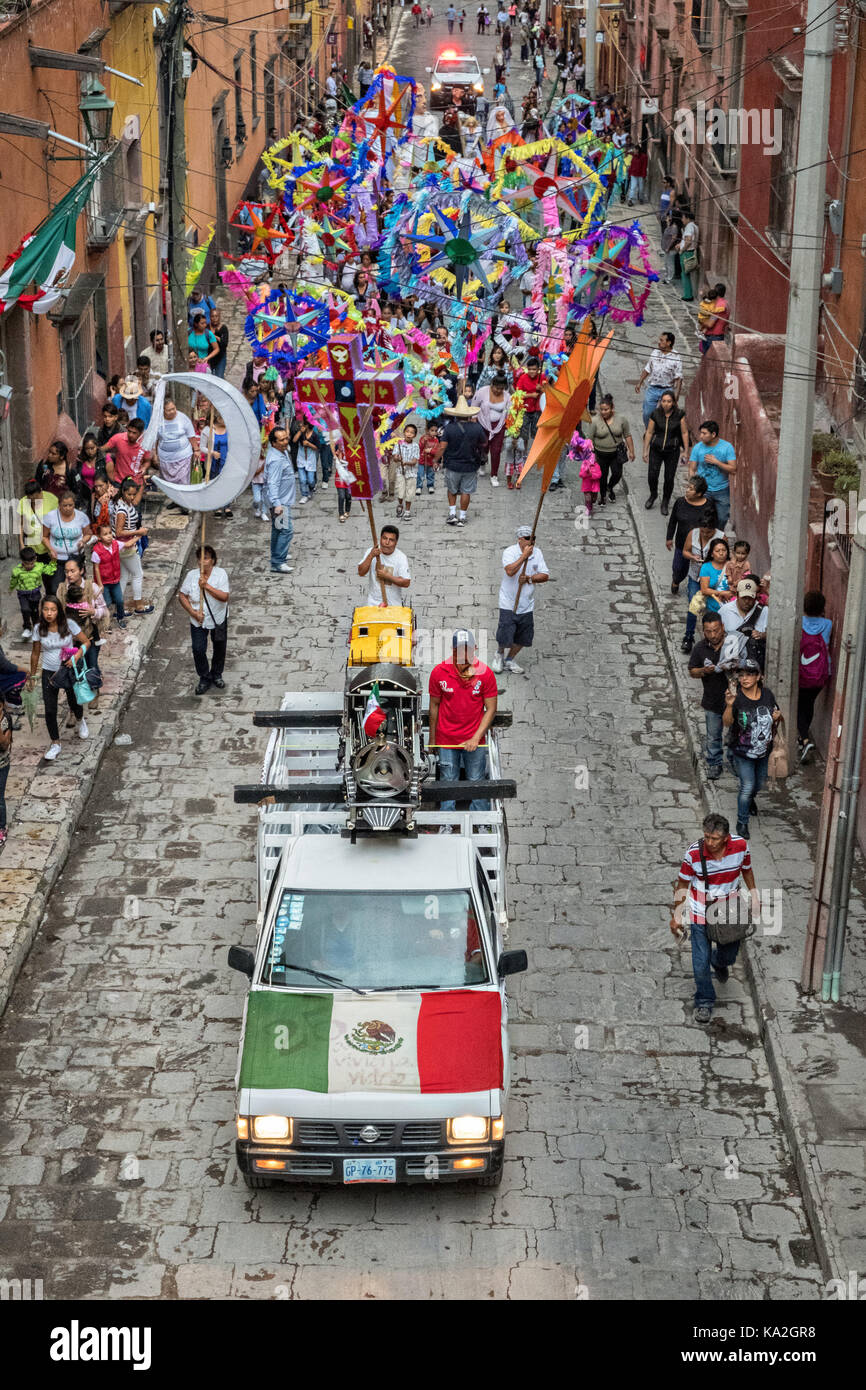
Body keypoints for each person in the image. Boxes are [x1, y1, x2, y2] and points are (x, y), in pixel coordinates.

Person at [672, 812, 757, 1025]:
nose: (709, 842)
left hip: (730, 910)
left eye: (715, 839)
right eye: (706, 837)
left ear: (726, 838)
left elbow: (746, 870)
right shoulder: (693, 854)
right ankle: (704, 1001)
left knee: (729, 954)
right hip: (701, 912)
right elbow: (682, 885)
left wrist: (754, 894)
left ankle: (718, 961)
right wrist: (677, 915)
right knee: (700, 962)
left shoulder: (740, 847)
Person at [429, 630, 498, 821]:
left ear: (474, 648)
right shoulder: (439, 673)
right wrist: (433, 741)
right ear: (453, 650)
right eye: (460, 649)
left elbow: (490, 709)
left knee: (476, 780)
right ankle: (447, 822)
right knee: (448, 781)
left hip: (474, 739)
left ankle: (482, 822)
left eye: (467, 649)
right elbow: (434, 705)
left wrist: (476, 737)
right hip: (446, 739)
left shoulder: (486, 674)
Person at [27, 595, 90, 760]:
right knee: (49, 709)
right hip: (49, 671)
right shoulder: (38, 628)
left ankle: (80, 719)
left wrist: (76, 656)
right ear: (42, 611)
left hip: (67, 668)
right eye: (46, 609)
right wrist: (32, 676)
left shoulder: (69, 625)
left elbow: (86, 642)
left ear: (58, 611)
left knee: (73, 700)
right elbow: (35, 653)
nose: (49, 613)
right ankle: (55, 743)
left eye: (53, 610)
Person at [723, 661, 781, 838]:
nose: (744, 678)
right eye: (741, 675)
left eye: (749, 674)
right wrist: (730, 705)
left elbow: (775, 716)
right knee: (747, 786)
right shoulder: (736, 698)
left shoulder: (768, 695)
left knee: (758, 784)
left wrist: (778, 717)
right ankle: (742, 822)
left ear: (759, 676)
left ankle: (750, 801)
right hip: (742, 751)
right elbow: (726, 723)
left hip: (764, 751)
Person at [492, 525, 549, 674]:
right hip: (508, 602)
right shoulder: (510, 552)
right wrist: (523, 557)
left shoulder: (537, 553)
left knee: (524, 637)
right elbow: (510, 571)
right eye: (528, 538)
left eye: (534, 538)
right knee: (505, 634)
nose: (532, 541)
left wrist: (530, 578)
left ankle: (509, 660)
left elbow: (545, 575)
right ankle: (499, 654)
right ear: (520, 539)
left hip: (526, 603)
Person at [178, 545, 231, 695]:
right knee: (198, 649)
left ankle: (217, 674)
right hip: (198, 620)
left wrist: (206, 586)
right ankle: (205, 676)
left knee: (219, 647)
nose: (202, 561)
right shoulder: (191, 575)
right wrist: (193, 612)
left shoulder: (221, 574)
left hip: (218, 618)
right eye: (200, 558)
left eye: (206, 558)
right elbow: (182, 596)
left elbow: (224, 596)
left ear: (212, 560)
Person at [435, 394, 488, 527]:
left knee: (452, 489)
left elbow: (442, 447)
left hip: (452, 464)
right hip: (471, 464)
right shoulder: (477, 428)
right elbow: (484, 442)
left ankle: (452, 514)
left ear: (455, 415)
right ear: (469, 415)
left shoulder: (449, 428)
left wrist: (436, 460)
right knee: (466, 491)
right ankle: (463, 516)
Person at [689, 612, 729, 780]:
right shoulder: (699, 648)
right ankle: (714, 763)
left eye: (716, 630)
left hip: (734, 701)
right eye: (709, 631)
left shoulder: (733, 644)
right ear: (703, 631)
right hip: (712, 699)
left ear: (723, 628)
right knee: (713, 736)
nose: (713, 635)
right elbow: (692, 671)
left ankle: (735, 762)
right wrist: (704, 671)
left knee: (737, 734)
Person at [681, 507, 725, 653]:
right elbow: (685, 551)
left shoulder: (721, 536)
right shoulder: (693, 534)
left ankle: (713, 639)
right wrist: (693, 557)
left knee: (714, 610)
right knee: (694, 608)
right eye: (703, 531)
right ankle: (688, 636)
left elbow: (724, 556)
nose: (705, 534)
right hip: (695, 577)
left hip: (713, 579)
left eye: (709, 532)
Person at [798, 590, 832, 761]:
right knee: (809, 704)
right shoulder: (828, 624)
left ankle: (804, 740)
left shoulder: (799, 621)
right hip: (820, 674)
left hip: (801, 674)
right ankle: (802, 739)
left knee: (797, 707)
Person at [582, 394, 634, 503]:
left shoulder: (621, 419)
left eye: (606, 409)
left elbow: (627, 435)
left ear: (612, 408)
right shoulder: (595, 421)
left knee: (617, 474)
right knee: (602, 476)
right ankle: (603, 496)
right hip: (600, 454)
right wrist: (590, 456)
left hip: (616, 453)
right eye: (601, 410)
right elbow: (589, 439)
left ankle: (610, 487)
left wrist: (631, 451)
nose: (604, 412)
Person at [643, 389, 689, 514]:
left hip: (672, 451)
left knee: (669, 478)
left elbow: (684, 433)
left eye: (669, 401)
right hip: (656, 449)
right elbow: (649, 432)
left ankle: (665, 501)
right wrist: (645, 450)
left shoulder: (679, 415)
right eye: (664, 401)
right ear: (661, 402)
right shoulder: (655, 414)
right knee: (652, 475)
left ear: (673, 402)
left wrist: (685, 451)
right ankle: (653, 495)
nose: (666, 404)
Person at [113, 477, 154, 616]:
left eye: (133, 494)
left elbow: (136, 501)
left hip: (123, 546)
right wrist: (139, 532)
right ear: (123, 492)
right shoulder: (122, 510)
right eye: (129, 494)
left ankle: (119, 607)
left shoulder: (124, 503)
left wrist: (141, 485)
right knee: (138, 574)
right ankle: (139, 605)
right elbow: (119, 532)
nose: (132, 497)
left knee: (124, 576)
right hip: (126, 546)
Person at [666, 476, 712, 596]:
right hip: (681, 543)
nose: (687, 490)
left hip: (699, 546)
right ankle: (676, 581)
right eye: (688, 487)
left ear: (699, 493)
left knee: (698, 572)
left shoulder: (708, 506)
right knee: (678, 568)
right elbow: (672, 521)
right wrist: (669, 538)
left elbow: (712, 525)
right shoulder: (680, 502)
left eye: (691, 489)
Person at [688, 420, 737, 529]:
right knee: (702, 518)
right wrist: (693, 486)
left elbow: (733, 470)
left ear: (713, 434)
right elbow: (692, 469)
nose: (701, 436)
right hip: (704, 490)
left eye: (704, 433)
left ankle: (718, 539)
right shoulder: (698, 448)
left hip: (722, 490)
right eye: (700, 433)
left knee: (723, 518)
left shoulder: (727, 447)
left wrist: (717, 462)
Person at [263, 425, 296, 574]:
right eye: (281, 440)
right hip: (279, 502)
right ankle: (278, 562)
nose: (285, 441)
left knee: (278, 529)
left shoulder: (281, 452)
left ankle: (278, 554)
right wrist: (277, 504)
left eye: (286, 438)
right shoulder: (276, 459)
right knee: (286, 530)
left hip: (282, 500)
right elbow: (273, 483)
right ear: (273, 443)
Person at [635, 332, 683, 428]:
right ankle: (649, 432)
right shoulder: (655, 352)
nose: (659, 342)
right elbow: (647, 369)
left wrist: (676, 395)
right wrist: (639, 382)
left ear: (669, 343)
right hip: (652, 388)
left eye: (661, 340)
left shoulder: (676, 356)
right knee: (647, 414)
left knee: (666, 415)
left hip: (667, 390)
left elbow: (679, 378)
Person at [17, 480, 58, 590]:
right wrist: (21, 545)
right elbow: (20, 525)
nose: (34, 501)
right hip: (32, 547)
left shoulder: (52, 499)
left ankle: (51, 602)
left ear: (41, 491)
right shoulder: (23, 502)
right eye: (31, 499)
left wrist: (52, 547)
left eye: (36, 498)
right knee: (34, 579)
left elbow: (57, 523)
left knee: (50, 579)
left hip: (49, 546)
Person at [719, 577, 768, 667]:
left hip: (754, 664)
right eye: (744, 598)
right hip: (731, 662)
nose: (747, 601)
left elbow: (773, 636)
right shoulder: (725, 611)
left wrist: (762, 635)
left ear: (755, 596)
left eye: (750, 598)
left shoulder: (764, 611)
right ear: (737, 595)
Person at [358, 524, 411, 607]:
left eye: (391, 540)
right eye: (384, 538)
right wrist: (371, 556)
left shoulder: (401, 557)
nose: (387, 542)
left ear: (396, 542)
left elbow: (406, 582)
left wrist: (387, 576)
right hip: (373, 603)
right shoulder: (372, 551)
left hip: (393, 605)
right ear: (380, 538)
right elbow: (361, 572)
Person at [42, 490, 92, 576]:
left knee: (76, 587)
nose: (67, 508)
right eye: (64, 505)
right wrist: (51, 549)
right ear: (59, 505)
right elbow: (44, 536)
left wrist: (83, 541)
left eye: (70, 505)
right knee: (56, 587)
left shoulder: (82, 517)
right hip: (57, 559)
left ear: (74, 504)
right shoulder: (50, 516)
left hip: (76, 558)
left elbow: (88, 534)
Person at [155, 396, 198, 492]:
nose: (172, 411)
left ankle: (183, 502)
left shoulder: (183, 418)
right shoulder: (158, 420)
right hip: (165, 458)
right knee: (169, 484)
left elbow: (191, 435)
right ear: (163, 410)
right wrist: (155, 454)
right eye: (168, 410)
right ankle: (175, 500)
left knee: (183, 481)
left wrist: (196, 450)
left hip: (183, 456)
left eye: (173, 408)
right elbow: (156, 439)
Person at [9, 546, 53, 641]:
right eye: (26, 564)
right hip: (23, 594)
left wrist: (53, 561)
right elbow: (13, 581)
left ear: (35, 559)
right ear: (22, 561)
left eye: (31, 563)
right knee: (25, 610)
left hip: (35, 594)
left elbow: (49, 570)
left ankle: (37, 629)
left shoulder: (40, 566)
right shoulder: (17, 571)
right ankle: (27, 628)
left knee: (35, 612)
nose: (29, 566)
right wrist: (11, 588)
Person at [475, 374, 511, 487]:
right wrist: (473, 422)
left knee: (496, 451)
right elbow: (474, 406)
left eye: (501, 388)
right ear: (492, 385)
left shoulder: (507, 396)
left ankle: (494, 475)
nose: (498, 391)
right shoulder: (482, 392)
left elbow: (510, 413)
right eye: (496, 388)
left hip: (499, 426)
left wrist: (509, 428)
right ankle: (482, 464)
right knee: (483, 447)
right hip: (482, 424)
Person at [91, 523, 128, 630]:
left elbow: (127, 544)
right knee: (106, 603)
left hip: (115, 580)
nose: (109, 536)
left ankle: (121, 618)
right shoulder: (96, 551)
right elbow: (96, 568)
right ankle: (106, 622)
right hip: (104, 583)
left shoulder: (116, 544)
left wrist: (138, 535)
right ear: (99, 537)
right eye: (105, 534)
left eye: (110, 533)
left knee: (120, 600)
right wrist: (99, 584)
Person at [104, 418, 152, 492]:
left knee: (133, 503)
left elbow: (147, 461)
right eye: (129, 431)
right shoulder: (118, 438)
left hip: (136, 483)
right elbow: (102, 449)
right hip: (119, 482)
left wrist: (144, 468)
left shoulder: (145, 444)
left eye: (134, 433)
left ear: (141, 433)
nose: (130, 435)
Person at [393, 422, 420, 519]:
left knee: (410, 492)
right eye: (407, 431)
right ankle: (400, 504)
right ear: (404, 432)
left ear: (415, 435)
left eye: (412, 433)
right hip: (400, 472)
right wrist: (397, 457)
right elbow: (394, 457)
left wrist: (406, 463)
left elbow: (414, 461)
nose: (409, 434)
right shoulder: (399, 444)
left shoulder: (416, 446)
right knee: (400, 491)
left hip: (412, 473)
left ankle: (407, 511)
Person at [698, 536, 731, 615]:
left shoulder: (732, 565)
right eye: (717, 551)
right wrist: (722, 593)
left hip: (731, 608)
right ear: (712, 554)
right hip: (713, 609)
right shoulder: (706, 567)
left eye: (724, 550)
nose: (721, 553)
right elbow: (704, 590)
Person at [698, 282, 730, 355]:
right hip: (718, 336)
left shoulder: (719, 306)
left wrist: (701, 321)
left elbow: (710, 324)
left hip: (713, 337)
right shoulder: (726, 303)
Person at [677, 210, 700, 302]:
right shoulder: (695, 226)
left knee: (685, 274)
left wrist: (682, 249)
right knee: (686, 273)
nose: (682, 220)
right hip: (690, 251)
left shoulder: (689, 226)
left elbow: (689, 240)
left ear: (688, 218)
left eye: (683, 217)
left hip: (687, 253)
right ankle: (688, 293)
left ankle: (687, 295)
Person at [417, 418, 441, 495]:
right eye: (432, 430)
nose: (434, 432)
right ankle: (419, 486)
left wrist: (430, 451)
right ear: (427, 430)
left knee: (430, 474)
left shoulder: (436, 440)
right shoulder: (423, 438)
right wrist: (423, 441)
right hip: (422, 460)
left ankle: (430, 485)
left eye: (435, 431)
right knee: (420, 474)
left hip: (431, 461)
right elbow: (420, 447)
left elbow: (437, 451)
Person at [579, 447, 602, 515]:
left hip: (594, 486)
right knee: (588, 498)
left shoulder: (597, 466)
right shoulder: (584, 465)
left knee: (594, 499)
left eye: (593, 458)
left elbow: (599, 475)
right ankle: (588, 508)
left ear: (596, 459)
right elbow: (581, 475)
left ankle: (591, 503)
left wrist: (591, 475)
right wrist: (586, 473)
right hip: (586, 485)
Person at [209, 306, 229, 378]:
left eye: (216, 316)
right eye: (212, 316)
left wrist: (216, 337)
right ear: (210, 317)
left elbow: (224, 344)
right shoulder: (207, 328)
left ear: (219, 317)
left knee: (219, 377)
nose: (214, 319)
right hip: (209, 357)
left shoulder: (223, 328)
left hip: (220, 357)